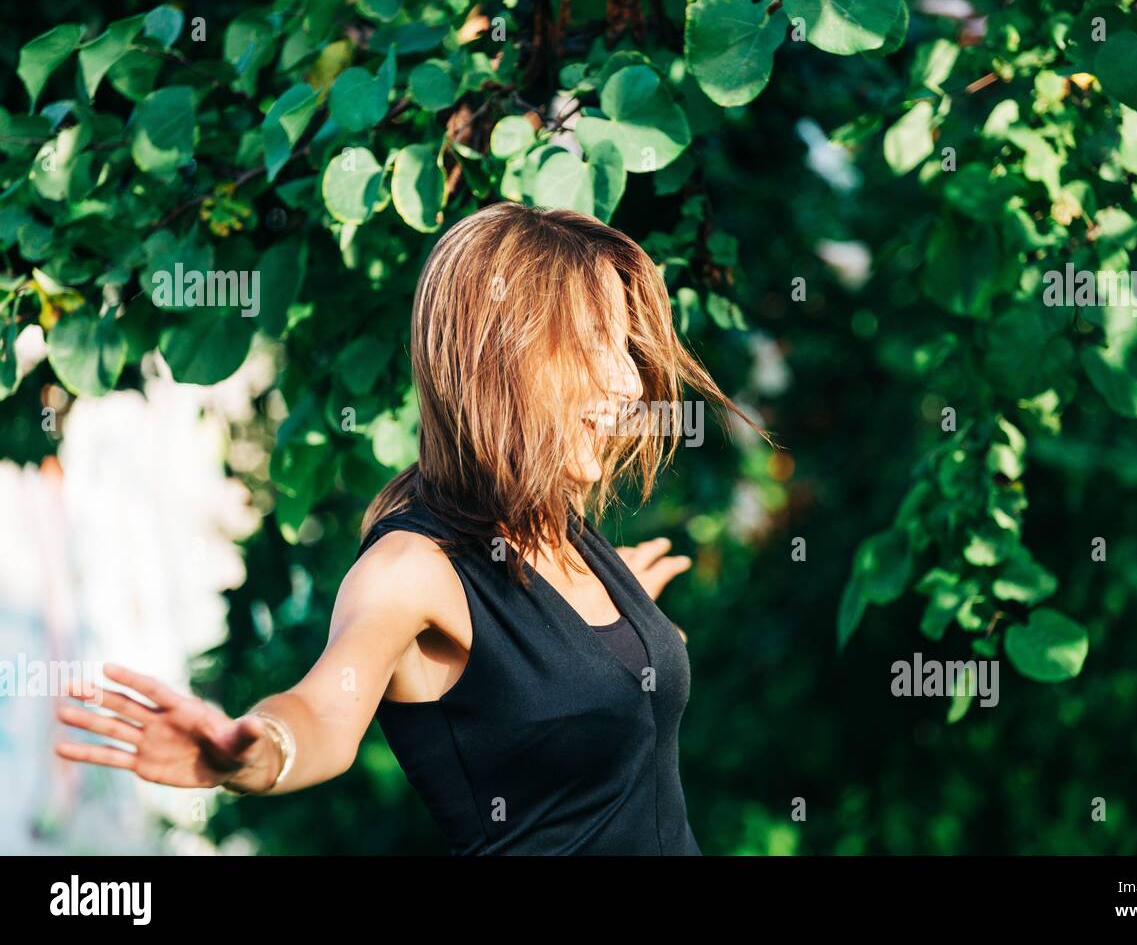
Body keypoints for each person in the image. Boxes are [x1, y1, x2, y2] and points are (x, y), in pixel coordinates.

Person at [55, 202, 764, 854]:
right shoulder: (411, 569)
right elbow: (323, 712)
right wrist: (255, 751)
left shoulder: (565, 537)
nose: (630, 384)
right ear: (500, 358)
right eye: (593, 345)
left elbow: (581, 699)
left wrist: (618, 627)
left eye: (624, 349)